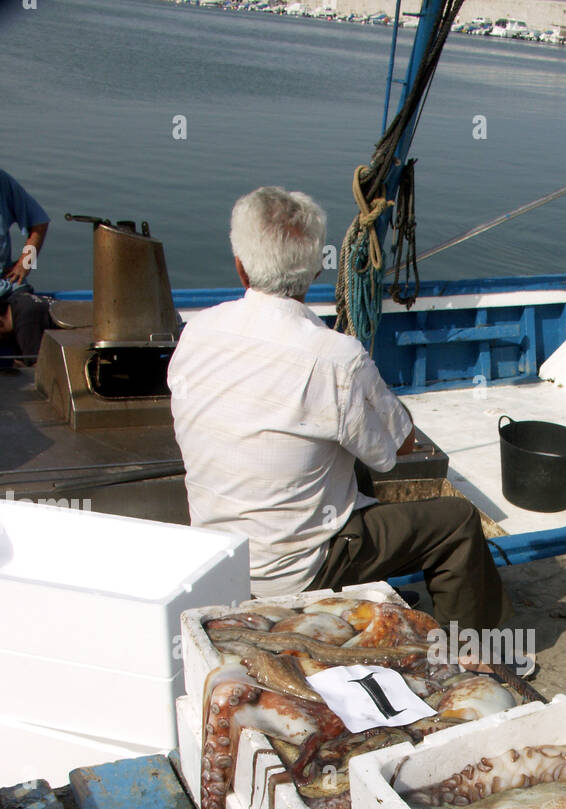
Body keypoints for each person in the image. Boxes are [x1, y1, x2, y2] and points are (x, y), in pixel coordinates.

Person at [167, 186, 503, 630]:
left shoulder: (197, 332)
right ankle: (478, 653)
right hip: (293, 569)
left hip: (217, 555)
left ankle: (367, 586)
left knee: (341, 460)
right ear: (315, 270)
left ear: (241, 267)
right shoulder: (336, 357)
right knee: (456, 523)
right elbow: (399, 447)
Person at [0, 169, 51, 368]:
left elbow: (39, 223)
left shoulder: (2, 182)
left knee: (33, 308)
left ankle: (35, 373)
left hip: (7, 284)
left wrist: (25, 263)